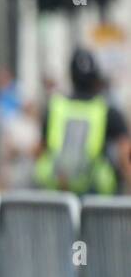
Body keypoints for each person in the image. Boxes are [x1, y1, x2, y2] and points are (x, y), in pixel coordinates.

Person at [34, 48, 129, 196]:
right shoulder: (107, 110)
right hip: (97, 199)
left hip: (58, 195)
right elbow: (125, 154)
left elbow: (40, 151)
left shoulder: (55, 107)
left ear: (70, 75)